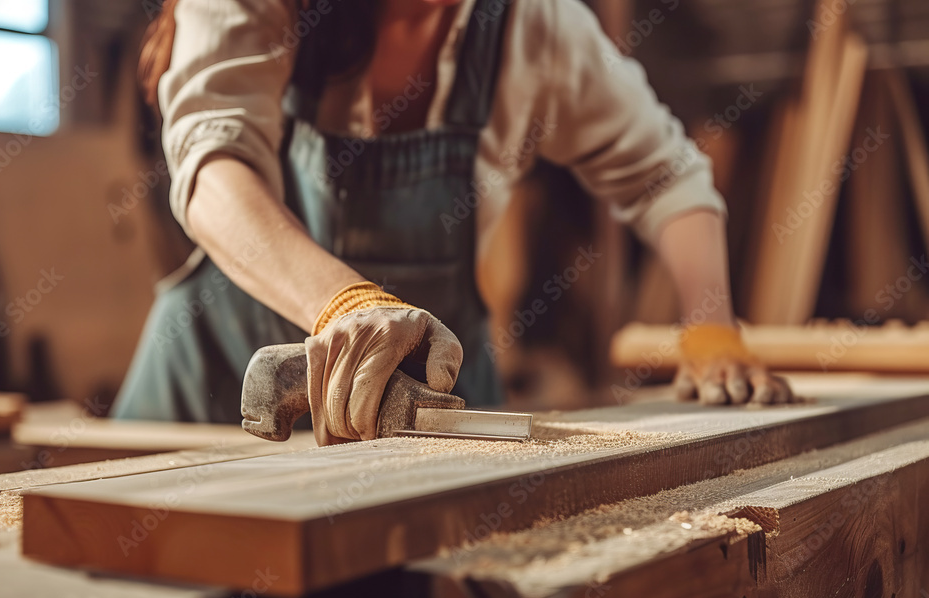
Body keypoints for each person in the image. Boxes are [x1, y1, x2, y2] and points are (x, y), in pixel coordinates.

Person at [112, 0, 793, 445]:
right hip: (205, 404)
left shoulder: (533, 26)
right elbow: (213, 168)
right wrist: (345, 304)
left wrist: (711, 327)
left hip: (426, 427)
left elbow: (666, 173)